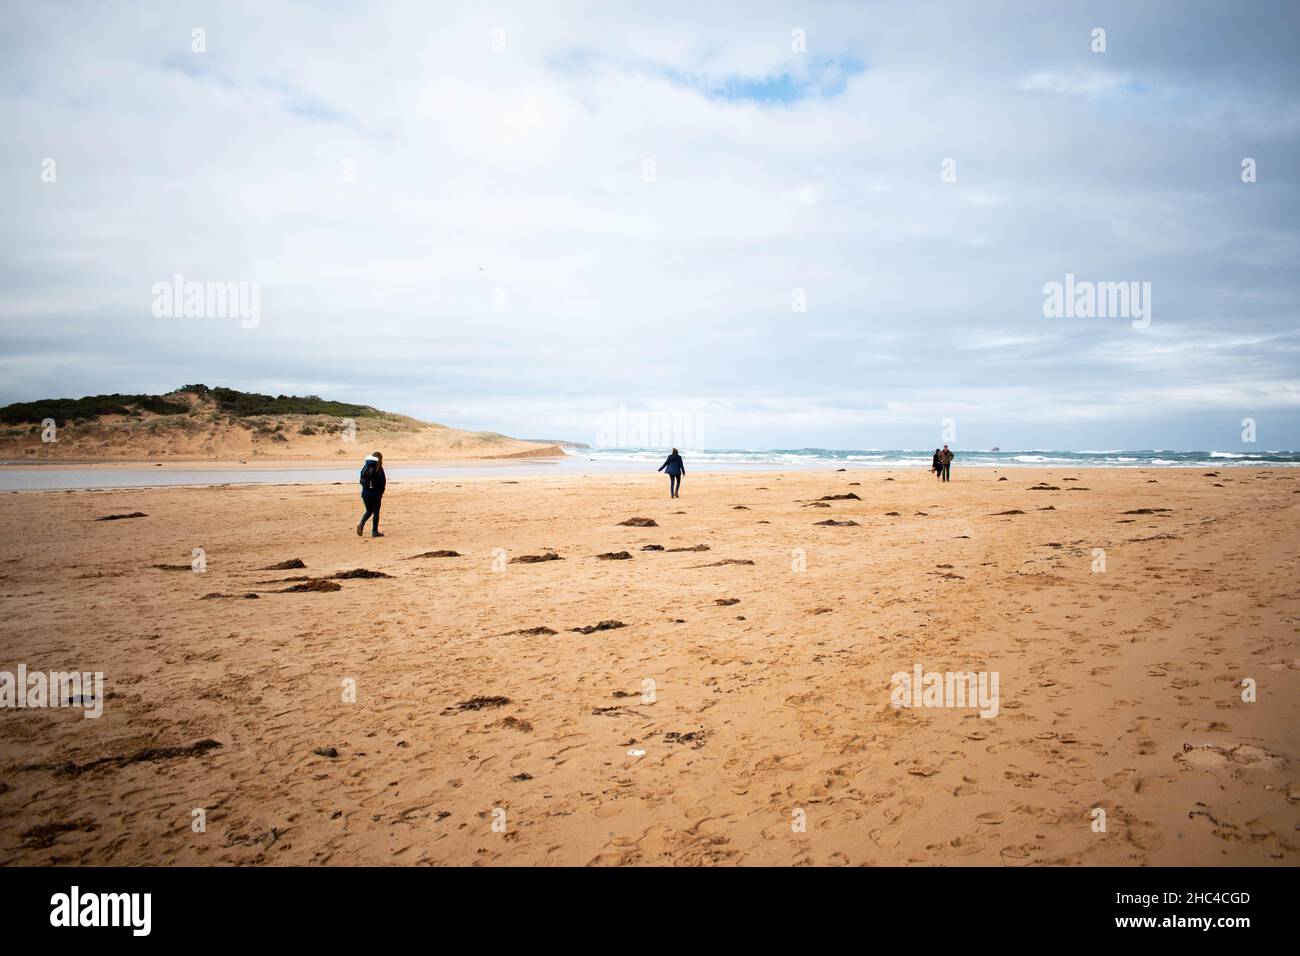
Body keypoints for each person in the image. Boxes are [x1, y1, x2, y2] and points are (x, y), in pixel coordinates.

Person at [356, 451, 386, 537]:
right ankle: (374, 531)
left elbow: (361, 480)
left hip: (365, 494)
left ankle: (361, 524)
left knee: (369, 510)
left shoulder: (365, 466)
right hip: (375, 494)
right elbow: (382, 482)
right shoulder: (379, 468)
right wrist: (381, 492)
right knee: (376, 512)